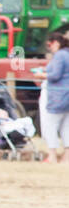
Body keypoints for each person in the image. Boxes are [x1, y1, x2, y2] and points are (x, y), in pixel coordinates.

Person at [41, 31, 69, 163]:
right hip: (67, 96)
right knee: (66, 126)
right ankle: (66, 156)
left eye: (50, 44)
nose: (49, 47)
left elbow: (56, 75)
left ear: (56, 43)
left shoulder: (59, 56)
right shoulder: (67, 54)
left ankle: (52, 155)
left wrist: (43, 75)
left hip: (58, 96)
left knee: (50, 124)